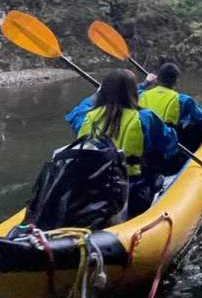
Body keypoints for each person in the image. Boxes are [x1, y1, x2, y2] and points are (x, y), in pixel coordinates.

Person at [64, 69, 179, 216]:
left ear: (103, 91)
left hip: (92, 188)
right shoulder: (146, 117)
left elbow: (78, 110)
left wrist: (98, 94)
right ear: (133, 92)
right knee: (156, 158)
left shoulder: (85, 117)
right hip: (133, 192)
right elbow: (170, 145)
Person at [138, 61, 202, 163]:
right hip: (168, 149)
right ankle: (185, 159)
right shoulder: (183, 100)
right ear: (176, 81)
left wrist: (146, 82)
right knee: (197, 126)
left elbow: (132, 91)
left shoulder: (141, 95)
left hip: (146, 147)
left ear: (157, 79)